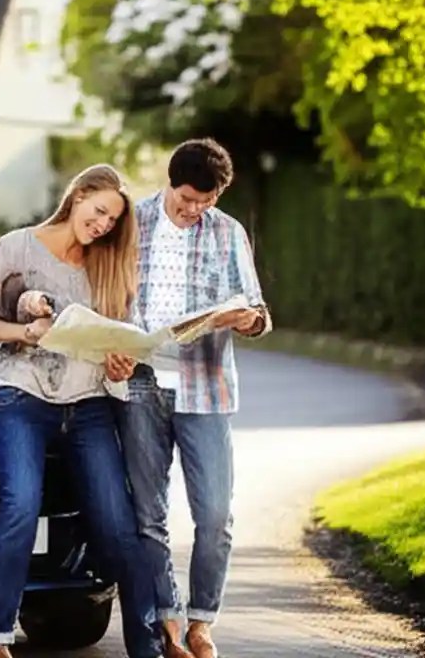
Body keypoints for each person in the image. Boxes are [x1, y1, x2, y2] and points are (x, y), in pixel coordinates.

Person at [0, 164, 162, 658]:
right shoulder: (18, 247)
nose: (102, 226)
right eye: (99, 212)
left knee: (119, 528)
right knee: (20, 507)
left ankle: (149, 646)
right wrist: (22, 332)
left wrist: (120, 364)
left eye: (112, 221)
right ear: (78, 196)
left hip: (90, 405)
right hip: (23, 399)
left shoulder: (108, 266)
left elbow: (121, 346)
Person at [117, 138, 271, 658]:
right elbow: (110, 298)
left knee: (215, 515)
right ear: (169, 182)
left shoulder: (228, 232)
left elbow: (256, 310)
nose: (194, 210)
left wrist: (248, 319)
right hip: (140, 385)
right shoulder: (131, 224)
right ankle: (169, 621)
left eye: (205, 202)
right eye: (187, 200)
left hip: (206, 387)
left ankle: (204, 619)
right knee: (147, 515)